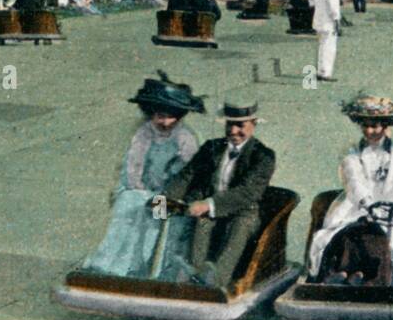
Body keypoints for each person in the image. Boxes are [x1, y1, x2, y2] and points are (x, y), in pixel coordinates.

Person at [82, 73, 204, 279]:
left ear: (179, 116)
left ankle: (148, 271)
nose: (163, 122)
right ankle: (110, 266)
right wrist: (138, 191)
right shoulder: (144, 133)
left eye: (169, 117)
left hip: (171, 196)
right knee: (128, 206)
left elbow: (188, 175)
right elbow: (133, 167)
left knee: (155, 219)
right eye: (159, 116)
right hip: (142, 190)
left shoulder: (185, 139)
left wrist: (164, 197)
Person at [160, 98, 276, 289]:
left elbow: (248, 192)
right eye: (230, 125)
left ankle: (217, 282)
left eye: (240, 126)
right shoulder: (211, 147)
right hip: (209, 208)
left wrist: (208, 204)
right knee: (201, 224)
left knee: (240, 227)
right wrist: (163, 199)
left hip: (243, 211)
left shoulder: (264, 156)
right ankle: (194, 277)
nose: (233, 131)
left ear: (253, 125)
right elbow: (187, 176)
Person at [308, 95, 393, 286]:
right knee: (349, 232)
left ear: (386, 125)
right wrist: (369, 205)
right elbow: (354, 181)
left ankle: (372, 280)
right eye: (365, 125)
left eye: (375, 125)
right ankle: (342, 274)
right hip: (357, 208)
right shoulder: (351, 152)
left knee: (383, 239)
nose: (370, 131)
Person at [308, 0, 343, 82]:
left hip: (318, 19)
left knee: (322, 46)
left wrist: (317, 5)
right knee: (329, 47)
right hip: (328, 21)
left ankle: (320, 71)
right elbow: (333, 4)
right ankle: (325, 73)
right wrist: (337, 19)